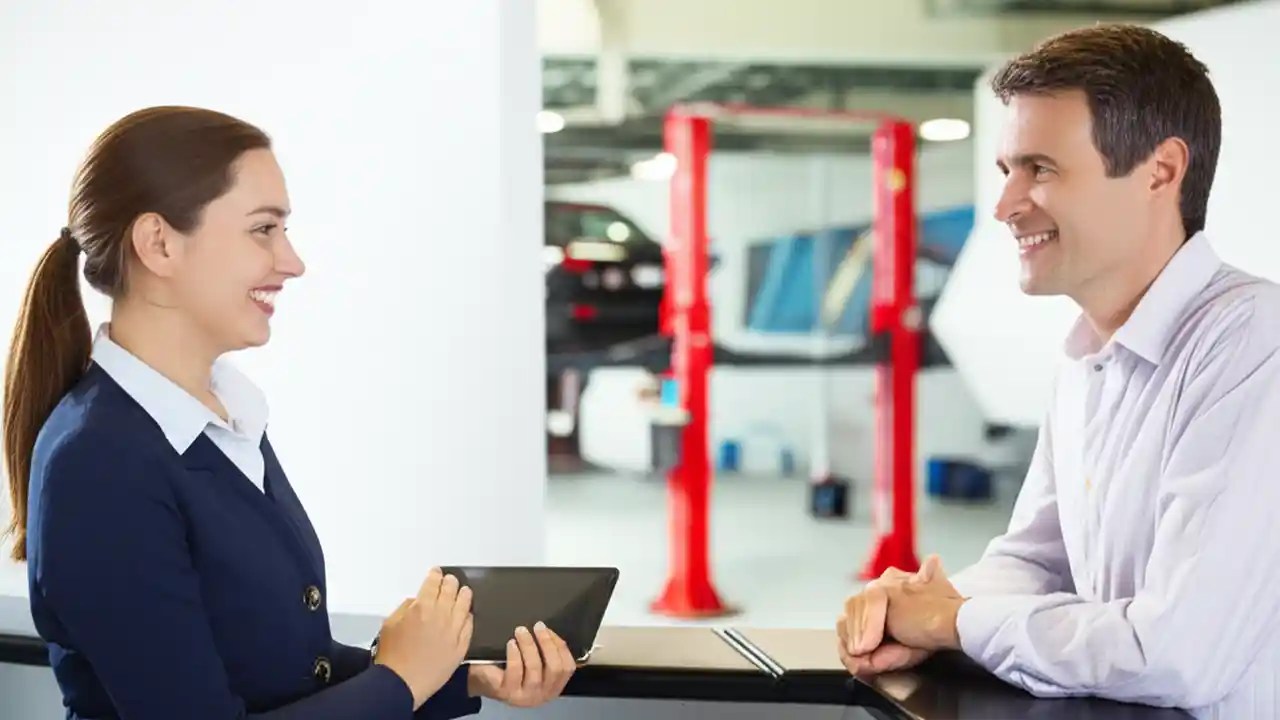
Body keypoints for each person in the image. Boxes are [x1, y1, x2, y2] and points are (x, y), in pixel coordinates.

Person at [1, 106, 575, 719]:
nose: (291, 261)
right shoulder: (99, 461)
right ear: (159, 243)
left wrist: (456, 672)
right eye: (263, 229)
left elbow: (277, 666)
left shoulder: (223, 419)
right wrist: (402, 678)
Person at [836, 23, 1280, 720]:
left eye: (1039, 168)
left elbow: (1176, 654)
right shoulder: (1085, 359)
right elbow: (1040, 562)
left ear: (1161, 171)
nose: (1005, 206)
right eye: (1006, 170)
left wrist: (953, 623)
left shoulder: (1256, 344)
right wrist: (914, 611)